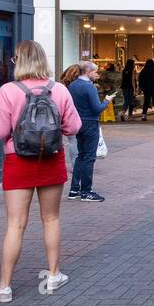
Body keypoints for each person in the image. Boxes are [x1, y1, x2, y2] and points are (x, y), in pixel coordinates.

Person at [0, 40, 82, 302]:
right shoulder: (58, 89)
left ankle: (4, 287)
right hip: (51, 157)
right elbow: (74, 127)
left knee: (15, 224)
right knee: (51, 219)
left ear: (18, 61)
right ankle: (54, 274)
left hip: (18, 160)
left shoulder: (8, 91)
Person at [68, 61, 111, 202]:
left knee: (81, 155)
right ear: (88, 72)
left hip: (77, 122)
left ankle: (74, 189)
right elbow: (97, 108)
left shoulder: (72, 86)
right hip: (90, 123)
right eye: (95, 71)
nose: (97, 74)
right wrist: (106, 101)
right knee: (89, 157)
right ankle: (86, 191)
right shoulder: (89, 87)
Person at [119, 57, 137, 122]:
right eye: (133, 63)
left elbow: (122, 79)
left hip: (124, 87)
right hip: (130, 87)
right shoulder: (133, 70)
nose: (134, 64)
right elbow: (132, 80)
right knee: (131, 102)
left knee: (126, 101)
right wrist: (134, 89)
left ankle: (123, 113)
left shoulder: (123, 70)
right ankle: (129, 116)